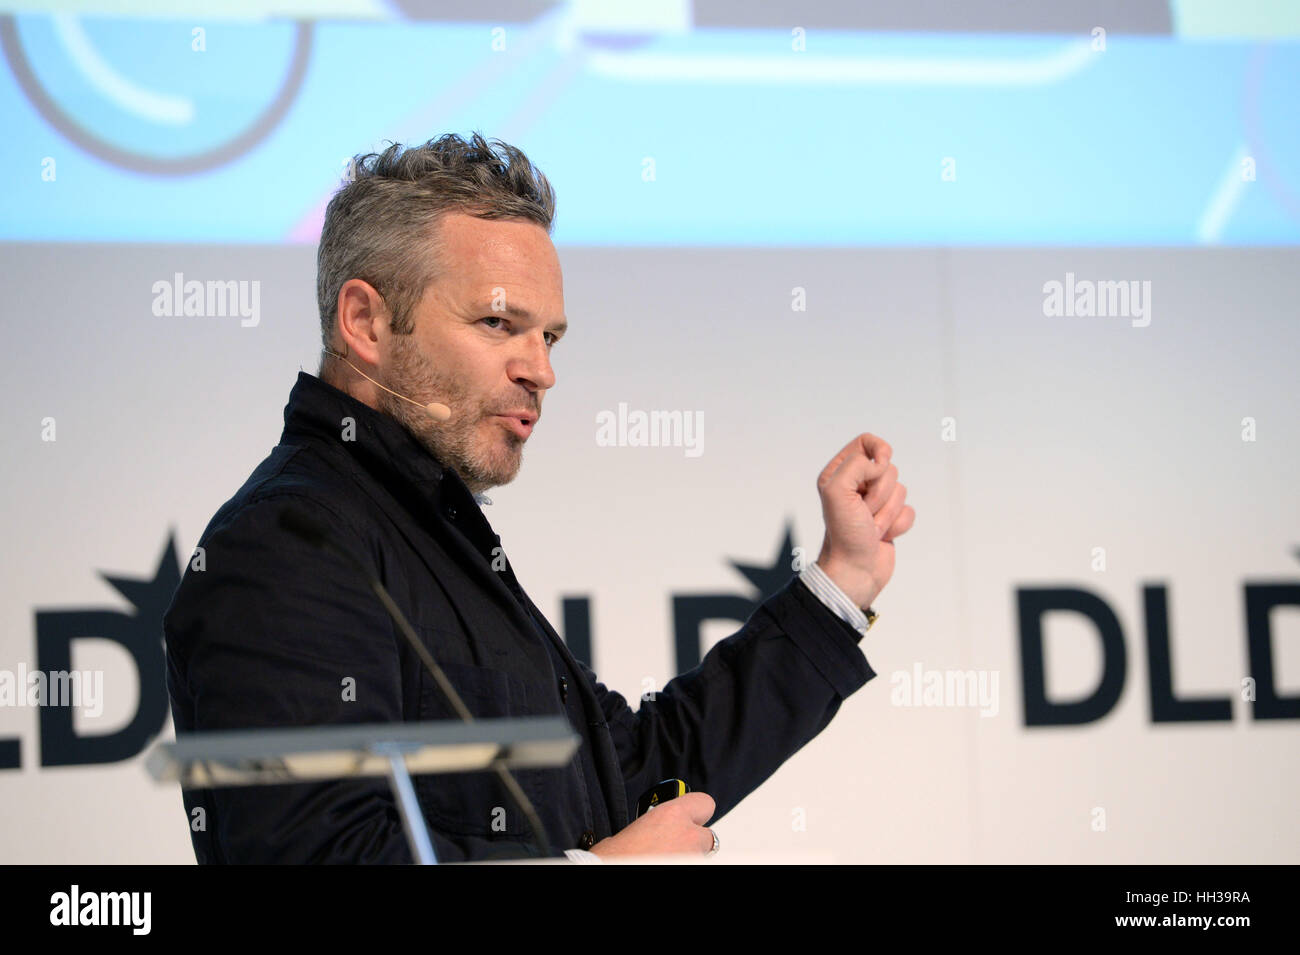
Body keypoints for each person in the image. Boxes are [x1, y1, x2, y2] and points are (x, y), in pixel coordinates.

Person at [162, 132, 915, 864]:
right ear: (366, 321)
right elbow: (318, 854)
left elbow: (633, 769)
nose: (541, 371)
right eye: (498, 323)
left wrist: (838, 584)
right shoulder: (285, 546)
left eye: (549, 337)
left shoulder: (428, 528)